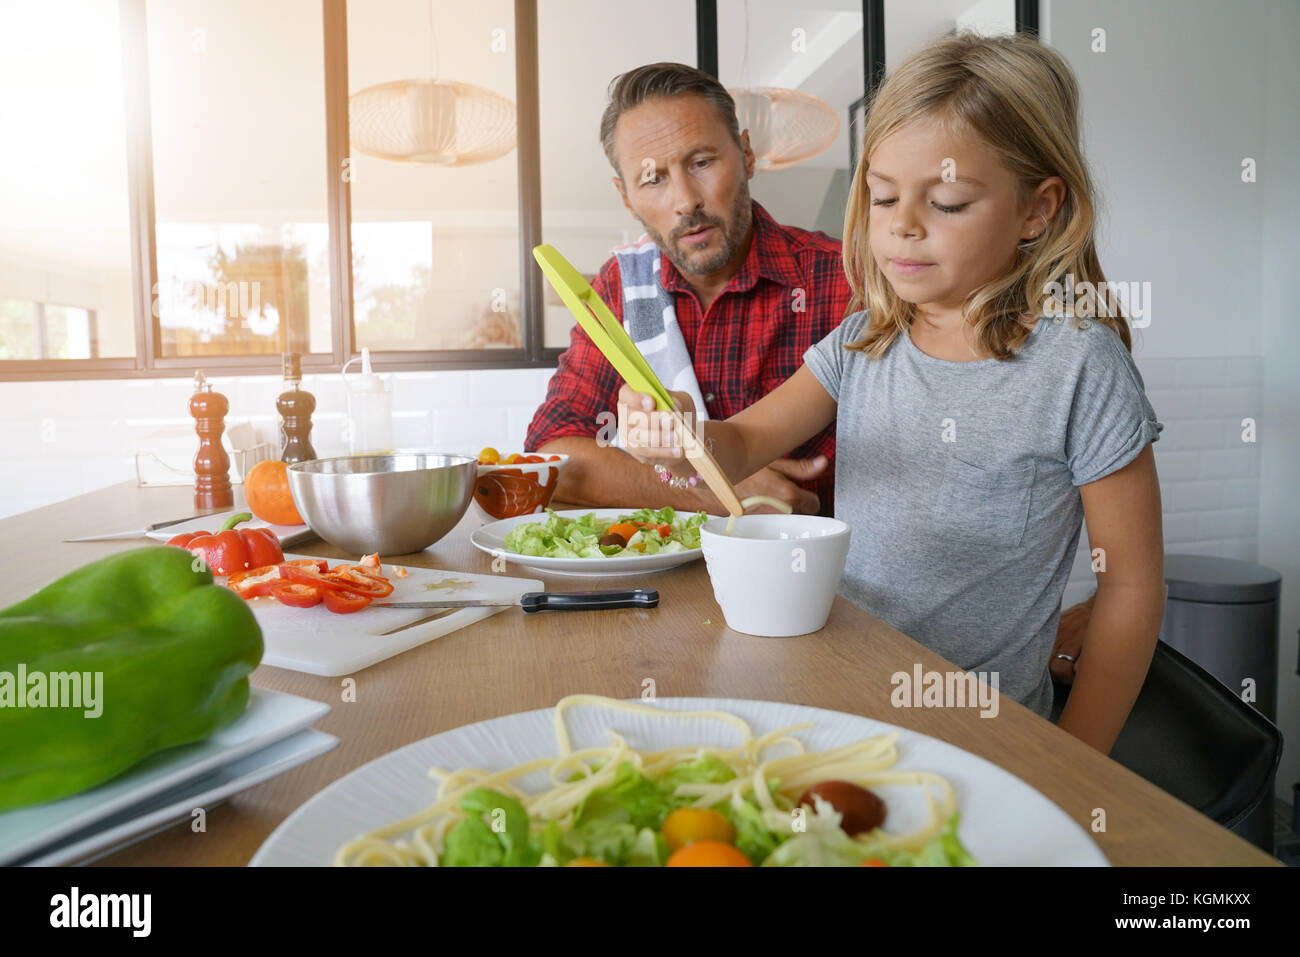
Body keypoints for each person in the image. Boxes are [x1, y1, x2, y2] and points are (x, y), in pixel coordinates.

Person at [617, 34, 1165, 754]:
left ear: (1037, 210)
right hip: (839, 705)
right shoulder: (864, 340)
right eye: (882, 196)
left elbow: (1129, 588)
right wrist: (684, 431)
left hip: (980, 737)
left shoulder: (1078, 367)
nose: (902, 224)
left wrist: (1079, 765)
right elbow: (743, 441)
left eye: (946, 201)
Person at [525, 63, 851, 517]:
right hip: (672, 585)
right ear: (625, 197)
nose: (685, 201)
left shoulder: (843, 280)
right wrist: (711, 491)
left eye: (701, 163)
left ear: (746, 155)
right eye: (653, 179)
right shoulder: (621, 289)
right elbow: (553, 456)